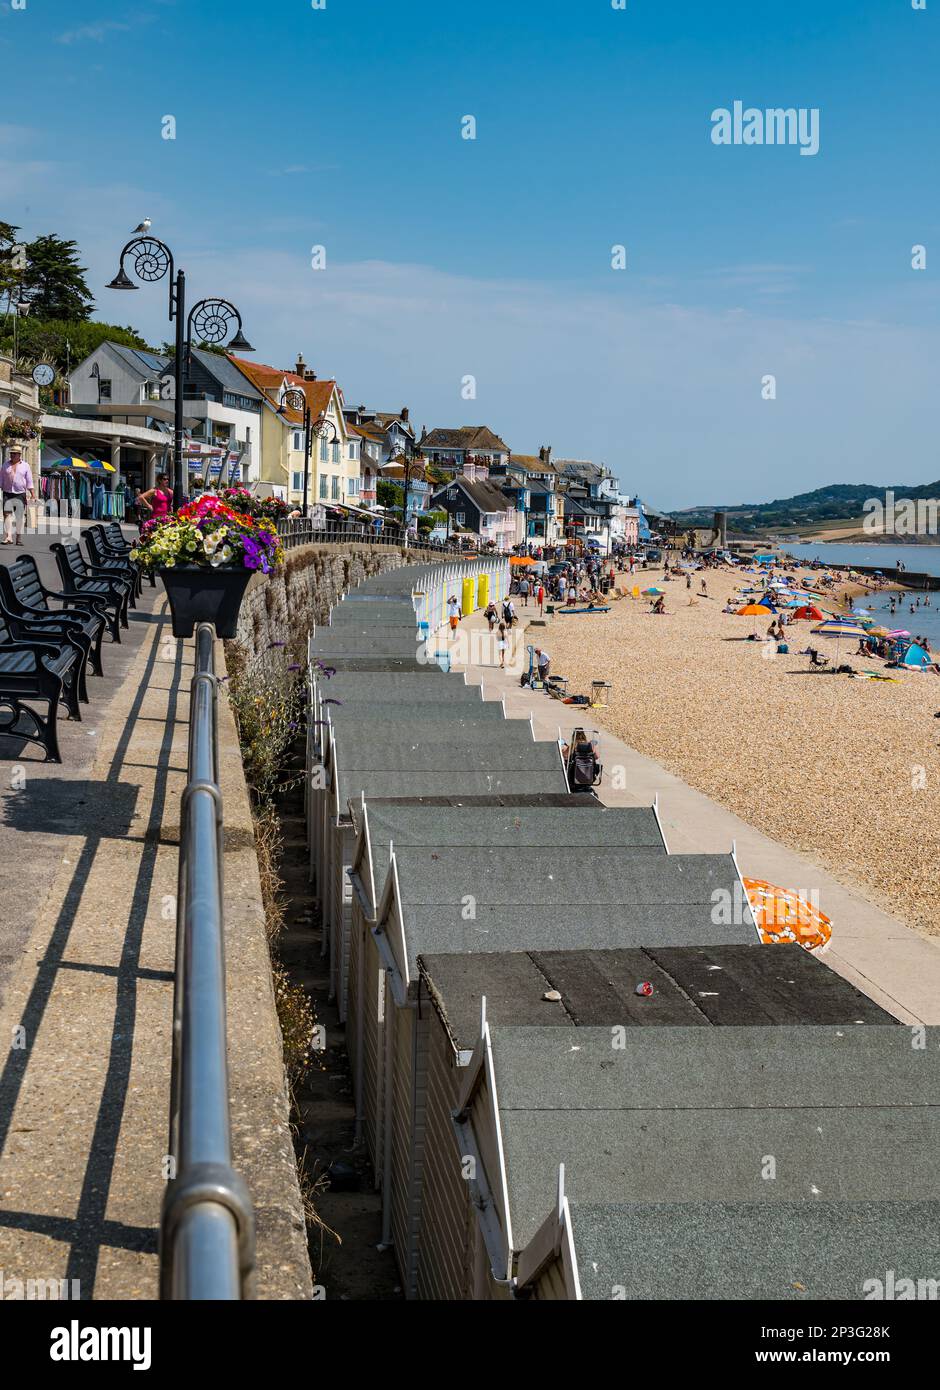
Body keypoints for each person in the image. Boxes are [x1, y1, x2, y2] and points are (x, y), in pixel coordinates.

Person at [1, 447, 35, 546]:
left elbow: (29, 480)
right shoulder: (5, 465)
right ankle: (8, 537)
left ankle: (18, 538)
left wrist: (33, 494)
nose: (12, 455)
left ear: (19, 455)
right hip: (7, 492)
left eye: (14, 453)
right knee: (7, 514)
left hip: (20, 493)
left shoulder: (25, 466)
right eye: (11, 453)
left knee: (19, 517)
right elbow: (1, 478)